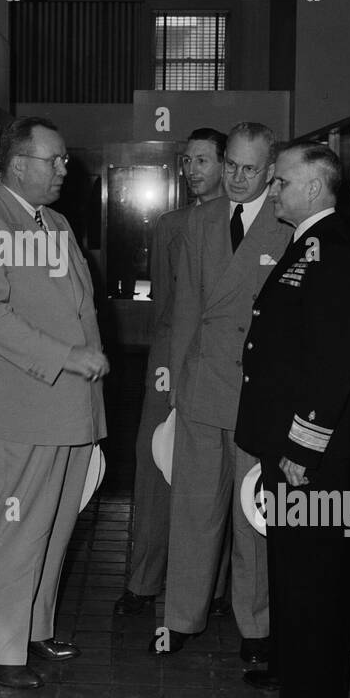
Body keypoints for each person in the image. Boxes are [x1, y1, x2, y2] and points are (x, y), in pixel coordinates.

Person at [0, 116, 108, 689]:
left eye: (64, 159)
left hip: (67, 409)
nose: (65, 168)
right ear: (19, 164)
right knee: (12, 529)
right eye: (55, 159)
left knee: (55, 525)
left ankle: (33, 628)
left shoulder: (54, 221)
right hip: (17, 410)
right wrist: (68, 356)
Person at [149, 123, 291, 661]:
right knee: (191, 508)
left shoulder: (287, 225)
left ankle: (255, 631)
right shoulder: (201, 221)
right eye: (229, 164)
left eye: (249, 168)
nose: (234, 176)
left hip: (257, 396)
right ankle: (180, 617)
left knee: (251, 515)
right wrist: (175, 389)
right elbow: (185, 310)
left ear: (271, 171)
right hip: (202, 388)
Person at [236, 140, 350, 698]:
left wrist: (301, 448)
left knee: (314, 578)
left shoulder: (331, 252)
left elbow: (333, 362)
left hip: (309, 458)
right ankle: (299, 682)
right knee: (293, 569)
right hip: (288, 448)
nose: (273, 190)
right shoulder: (308, 244)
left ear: (313, 187)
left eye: (281, 181)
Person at [114, 127, 228, 618]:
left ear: (224, 164)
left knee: (219, 469)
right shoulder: (169, 225)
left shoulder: (248, 226)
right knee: (154, 461)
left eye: (202, 160)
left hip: (221, 362)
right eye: (187, 161)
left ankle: (215, 587)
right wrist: (166, 364)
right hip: (169, 357)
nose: (192, 170)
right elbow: (165, 302)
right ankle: (143, 581)